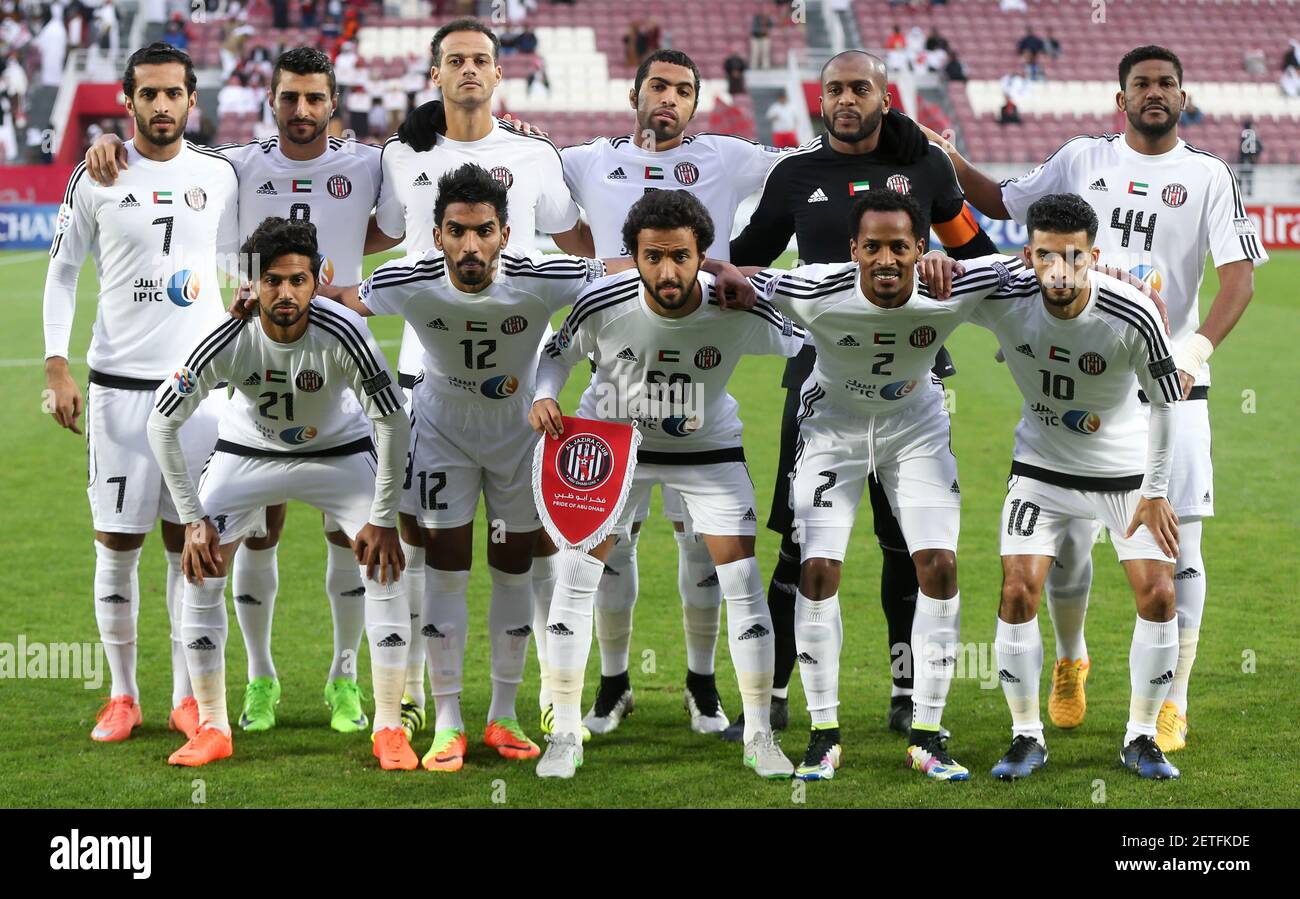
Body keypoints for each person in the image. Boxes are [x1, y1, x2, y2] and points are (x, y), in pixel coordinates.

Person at [924, 45, 1269, 753]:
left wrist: (1194, 349)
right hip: (1081, 377)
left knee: (1181, 544)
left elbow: (1238, 280)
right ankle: (1071, 658)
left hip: (1173, 384)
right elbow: (1000, 203)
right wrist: (952, 162)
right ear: (1121, 97)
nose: (1154, 92)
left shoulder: (1207, 175)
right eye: (1140, 83)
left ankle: (1174, 698)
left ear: (1183, 94)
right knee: (1070, 541)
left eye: (1166, 82)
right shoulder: (1082, 157)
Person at [83, 46, 406, 739]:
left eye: (315, 98)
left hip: (332, 361)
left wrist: (341, 285)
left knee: (346, 538)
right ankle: (259, 677)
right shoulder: (234, 164)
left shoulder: (368, 162)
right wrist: (109, 144)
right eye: (289, 97)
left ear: (333, 101)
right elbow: (164, 155)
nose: (302, 110)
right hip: (258, 362)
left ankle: (344, 676)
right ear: (272, 100)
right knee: (259, 532)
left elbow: (396, 226)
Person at [322, 164, 641, 770]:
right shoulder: (407, 279)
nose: (471, 246)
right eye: (457, 231)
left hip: (519, 435)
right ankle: (448, 721)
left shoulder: (543, 276)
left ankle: (504, 714)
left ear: (505, 232)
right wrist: (260, 298)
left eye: (484, 231)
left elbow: (621, 270)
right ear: (437, 234)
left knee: (513, 569)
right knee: (445, 570)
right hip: (441, 434)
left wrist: (710, 267)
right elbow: (339, 299)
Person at [727, 50, 999, 743]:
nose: (846, 99)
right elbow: (748, 257)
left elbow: (979, 253)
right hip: (819, 382)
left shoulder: (928, 170)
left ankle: (907, 694)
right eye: (834, 89)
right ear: (820, 100)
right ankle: (773, 693)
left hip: (911, 381)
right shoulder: (794, 174)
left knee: (906, 546)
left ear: (884, 94)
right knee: (799, 547)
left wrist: (945, 259)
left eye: (860, 87)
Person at [747, 189, 1025, 781]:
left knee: (940, 567)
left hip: (915, 431)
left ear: (920, 248)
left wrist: (1107, 273)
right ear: (854, 251)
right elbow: (739, 279)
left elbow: (1038, 262)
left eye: (900, 246)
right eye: (872, 247)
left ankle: (928, 732)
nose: (886, 260)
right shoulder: (814, 288)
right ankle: (824, 735)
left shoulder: (952, 284)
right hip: (831, 432)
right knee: (818, 569)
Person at [529, 190, 805, 780]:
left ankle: (758, 732)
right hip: (612, 448)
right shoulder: (602, 300)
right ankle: (565, 731)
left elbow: (809, 336)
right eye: (652, 257)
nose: (667, 271)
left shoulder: (735, 306)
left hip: (708, 451)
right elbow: (554, 355)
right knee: (576, 576)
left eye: (681, 256)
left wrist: (754, 285)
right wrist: (544, 394)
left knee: (741, 579)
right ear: (633, 255)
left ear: (703, 255)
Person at [557, 48, 783, 737]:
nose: (670, 97)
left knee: (699, 549)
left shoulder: (727, 157)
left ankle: (701, 683)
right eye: (658, 84)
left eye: (685, 89)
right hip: (614, 392)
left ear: (695, 102)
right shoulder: (587, 159)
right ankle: (614, 682)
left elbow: (810, 164)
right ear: (634, 93)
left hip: (695, 394)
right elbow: (517, 164)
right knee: (610, 549)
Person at [381, 18, 593, 749]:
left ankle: (511, 706)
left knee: (519, 552)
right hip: (428, 389)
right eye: (454, 60)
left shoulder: (535, 155)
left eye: (481, 59)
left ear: (500, 73)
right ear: (433, 72)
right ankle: (426, 705)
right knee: (430, 552)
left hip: (518, 398)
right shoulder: (399, 155)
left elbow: (589, 260)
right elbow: (357, 272)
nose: (469, 69)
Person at [146, 216, 414, 770]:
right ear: (253, 284)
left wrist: (384, 517)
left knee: (387, 562)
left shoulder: (344, 332)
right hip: (249, 455)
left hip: (337, 454)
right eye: (272, 281)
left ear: (317, 280)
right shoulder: (230, 336)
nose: (286, 293)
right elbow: (161, 422)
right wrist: (194, 519)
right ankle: (214, 725)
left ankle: (388, 724)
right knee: (200, 565)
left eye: (298, 280)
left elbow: (392, 421)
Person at [43, 42, 238, 745]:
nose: (161, 105)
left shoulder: (222, 174)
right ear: (128, 101)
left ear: (192, 100)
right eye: (148, 94)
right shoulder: (94, 176)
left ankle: (189, 698)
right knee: (115, 545)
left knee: (191, 545)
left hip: (200, 393)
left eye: (173, 93)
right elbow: (62, 273)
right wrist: (57, 367)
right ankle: (123, 695)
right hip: (118, 392)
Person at [976, 194, 1183, 781]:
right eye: (1046, 256)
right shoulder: (1004, 294)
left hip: (1124, 475)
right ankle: (1025, 736)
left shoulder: (1133, 312)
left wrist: (1156, 489)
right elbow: (934, 281)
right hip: (1040, 470)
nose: (1059, 271)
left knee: (1159, 596)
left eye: (1072, 257)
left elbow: (1167, 404)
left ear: (1094, 256)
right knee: (1018, 591)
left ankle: (1142, 739)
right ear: (1028, 255)